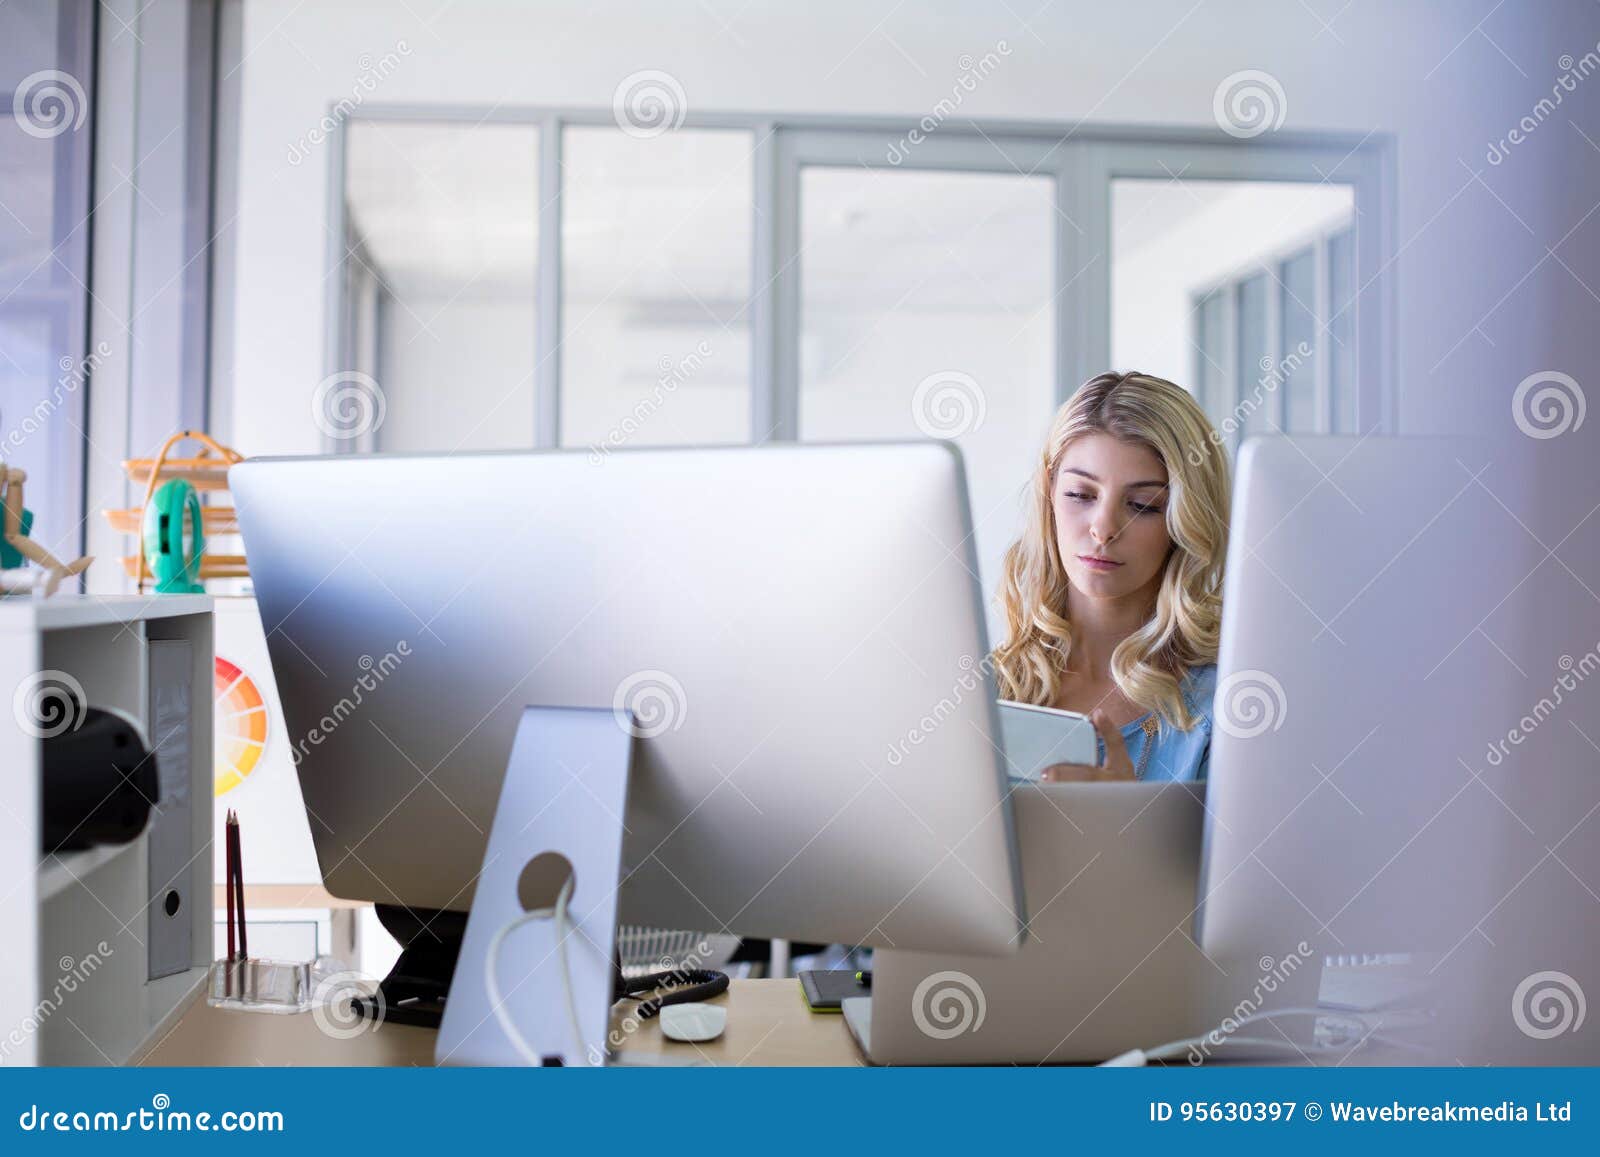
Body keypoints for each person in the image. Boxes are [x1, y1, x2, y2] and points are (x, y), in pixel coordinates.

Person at [992, 372, 1230, 782]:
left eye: (1143, 505)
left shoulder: (1226, 703)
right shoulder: (984, 694)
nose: (1103, 529)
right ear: (1049, 494)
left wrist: (1124, 813)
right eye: (1080, 495)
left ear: (1184, 521)